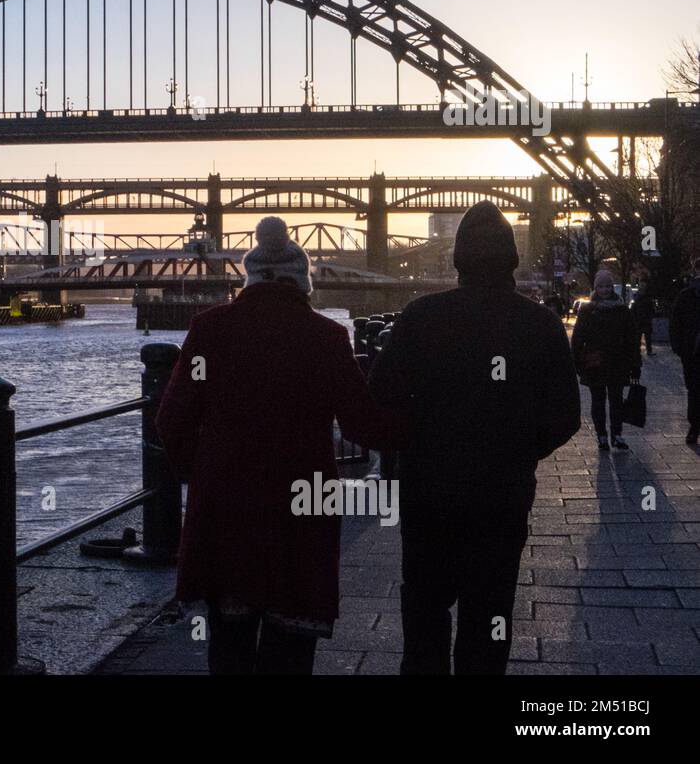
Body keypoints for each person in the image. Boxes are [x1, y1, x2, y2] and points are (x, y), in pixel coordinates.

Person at [156, 216, 399, 675]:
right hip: (301, 512)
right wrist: (420, 424)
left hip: (227, 509)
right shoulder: (326, 337)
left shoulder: (210, 331)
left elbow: (171, 420)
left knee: (230, 644)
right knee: (290, 648)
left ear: (249, 278)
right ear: (302, 282)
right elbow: (360, 423)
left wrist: (200, 474)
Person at [368, 200, 580, 675]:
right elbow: (566, 415)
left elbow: (380, 393)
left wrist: (418, 440)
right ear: (512, 260)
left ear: (458, 259)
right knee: (489, 617)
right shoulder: (540, 324)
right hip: (501, 499)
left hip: (429, 495)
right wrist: (521, 448)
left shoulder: (422, 316)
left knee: (425, 613)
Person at [572, 270, 641, 450]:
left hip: (618, 362)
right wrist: (577, 361)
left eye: (608, 286)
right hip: (595, 362)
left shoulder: (622, 309)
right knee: (598, 400)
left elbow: (631, 338)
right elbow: (578, 337)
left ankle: (616, 434)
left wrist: (635, 363)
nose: (604, 289)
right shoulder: (587, 309)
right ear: (595, 288)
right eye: (601, 286)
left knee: (616, 400)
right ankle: (602, 435)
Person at [670, 257, 700, 446]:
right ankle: (694, 426)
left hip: (690, 349)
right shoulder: (686, 296)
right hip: (692, 351)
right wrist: (680, 348)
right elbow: (675, 324)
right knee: (694, 389)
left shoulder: (686, 295)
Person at [630, 288, 656, 356]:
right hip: (644, 321)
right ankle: (647, 351)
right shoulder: (648, 300)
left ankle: (638, 351)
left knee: (640, 337)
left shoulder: (637, 300)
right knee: (646, 337)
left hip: (640, 321)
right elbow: (652, 310)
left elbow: (632, 311)